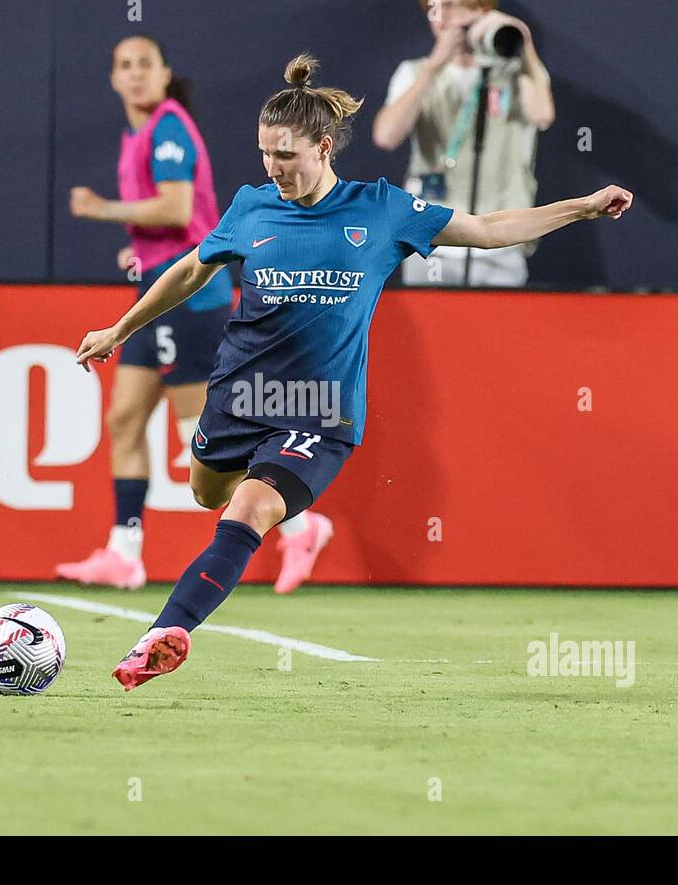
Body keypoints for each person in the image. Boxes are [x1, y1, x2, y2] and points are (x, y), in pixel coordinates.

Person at [76, 53, 631, 690]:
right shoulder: (252, 209)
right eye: (264, 154)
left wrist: (582, 207)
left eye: (285, 155)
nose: (273, 168)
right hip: (239, 396)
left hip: (319, 410)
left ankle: (162, 634)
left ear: (322, 144)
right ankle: (273, 526)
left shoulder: (381, 210)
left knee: (248, 513)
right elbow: (189, 269)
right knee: (208, 493)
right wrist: (121, 328)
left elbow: (489, 227)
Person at [58, 34, 332, 595]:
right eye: (124, 65)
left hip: (191, 303)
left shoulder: (169, 126)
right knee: (124, 418)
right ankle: (124, 550)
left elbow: (179, 209)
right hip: (152, 292)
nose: (135, 75)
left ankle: (302, 526)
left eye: (145, 65)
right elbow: (178, 224)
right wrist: (142, 251)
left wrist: (101, 210)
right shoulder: (139, 130)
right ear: (113, 78)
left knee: (198, 437)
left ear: (164, 75)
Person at [373, 0, 556, 287]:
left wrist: (522, 47)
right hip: (432, 238)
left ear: (483, 12)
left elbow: (542, 114)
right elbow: (386, 136)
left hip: (502, 240)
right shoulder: (416, 71)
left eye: (454, 6)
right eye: (434, 7)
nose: (442, 18)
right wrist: (434, 66)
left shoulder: (516, 73)